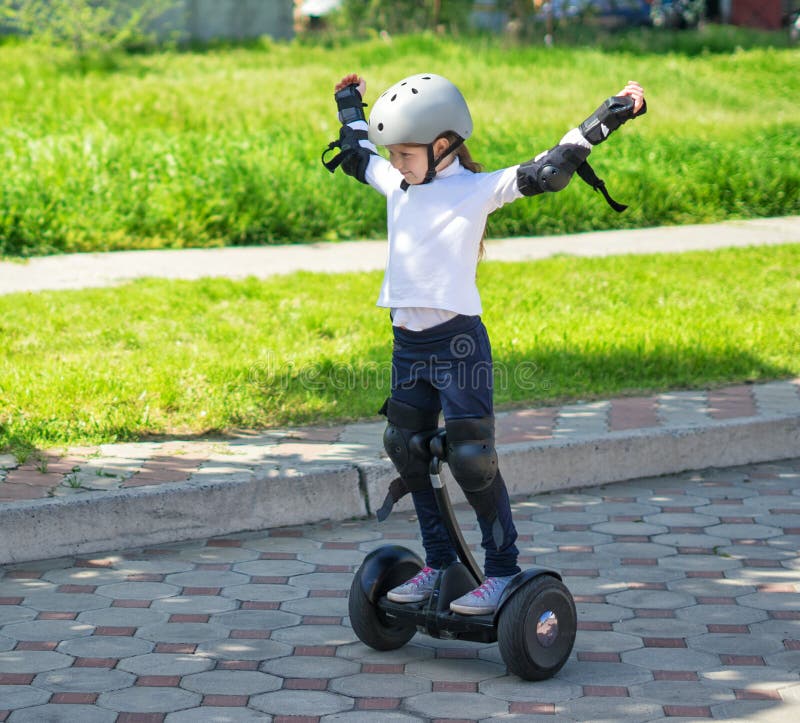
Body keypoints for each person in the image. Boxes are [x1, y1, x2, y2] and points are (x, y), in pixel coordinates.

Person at [323, 72, 646, 615]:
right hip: (407, 347)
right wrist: (348, 102)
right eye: (394, 154)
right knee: (407, 450)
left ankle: (501, 572)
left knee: (472, 460)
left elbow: (552, 166)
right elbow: (357, 154)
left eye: (405, 153)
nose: (396, 163)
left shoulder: (476, 190)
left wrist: (612, 113)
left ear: (441, 146)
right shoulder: (399, 184)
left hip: (458, 349)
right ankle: (438, 564)